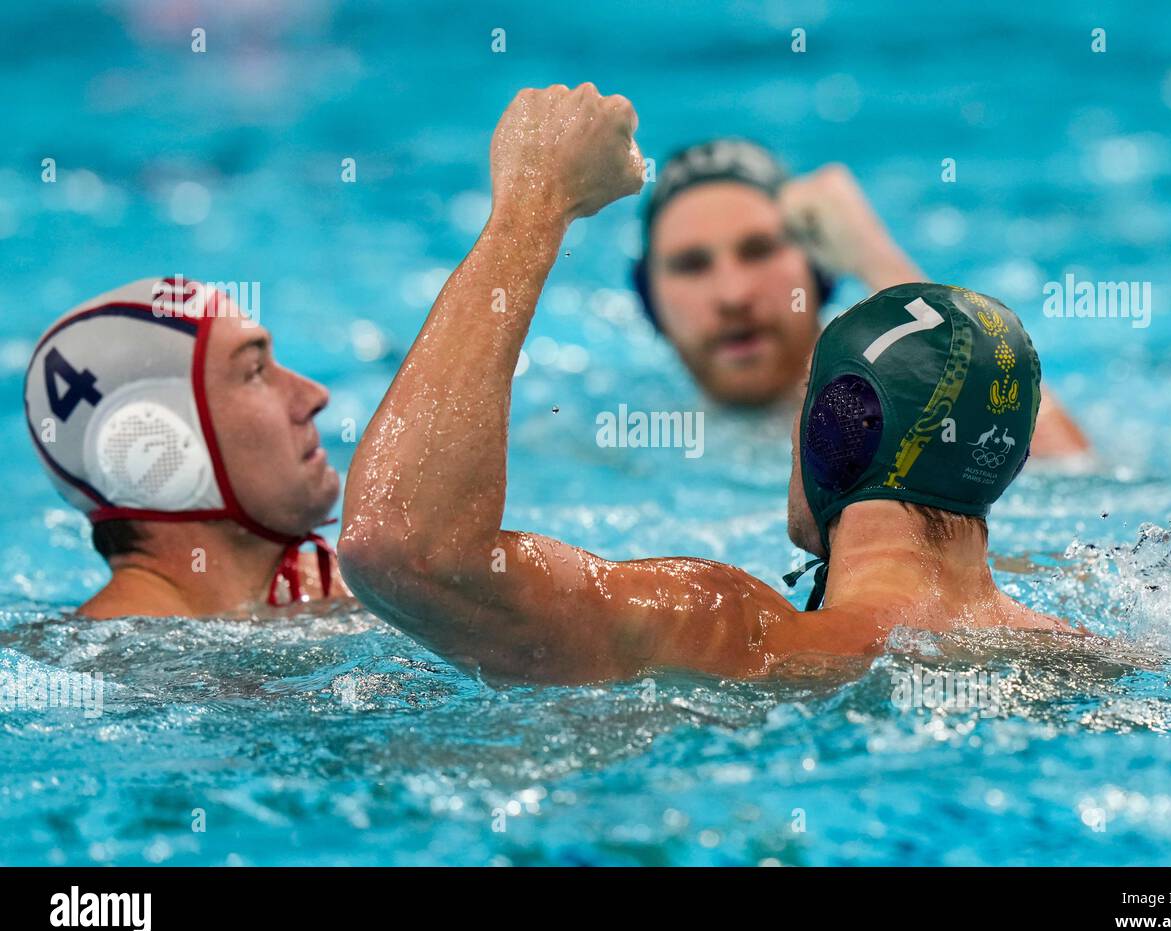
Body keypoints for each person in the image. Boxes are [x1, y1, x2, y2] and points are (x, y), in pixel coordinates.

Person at [338, 84, 1078, 684]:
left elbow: (403, 548)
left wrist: (530, 207)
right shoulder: (1091, 660)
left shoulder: (737, 636)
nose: (731, 293)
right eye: (693, 265)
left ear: (829, 431)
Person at [632, 137, 1091, 456]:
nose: (733, 295)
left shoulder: (906, 418)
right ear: (649, 301)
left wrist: (877, 260)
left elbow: (1074, 476)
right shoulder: (631, 442)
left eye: (760, 251)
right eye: (691, 265)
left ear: (819, 270)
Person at [23, 276, 347, 618]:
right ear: (152, 446)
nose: (314, 396)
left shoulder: (348, 591)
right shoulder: (94, 665)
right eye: (254, 371)